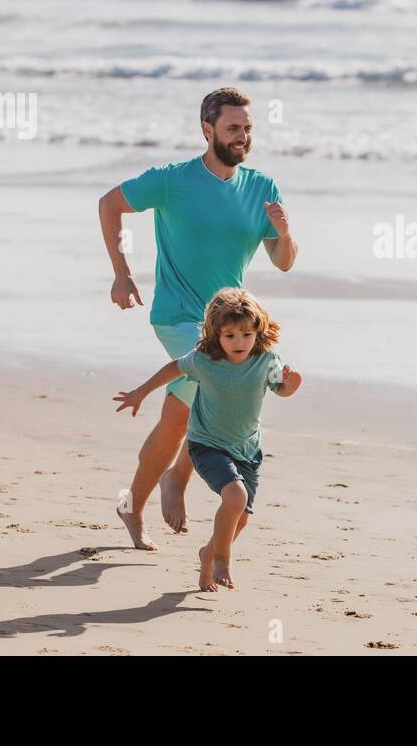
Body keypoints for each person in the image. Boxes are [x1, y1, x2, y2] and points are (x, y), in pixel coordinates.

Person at [97, 86, 297, 549]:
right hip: (180, 316)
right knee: (211, 382)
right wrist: (121, 273)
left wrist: (285, 233)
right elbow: (110, 204)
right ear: (207, 130)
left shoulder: (262, 188)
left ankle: (141, 498)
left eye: (247, 128)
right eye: (232, 128)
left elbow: (284, 260)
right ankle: (177, 480)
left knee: (175, 418)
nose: (242, 137)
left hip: (232, 324)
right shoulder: (172, 180)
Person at [113, 289, 302, 591]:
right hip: (207, 445)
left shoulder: (266, 360)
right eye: (229, 336)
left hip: (247, 450)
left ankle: (209, 553)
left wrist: (291, 385)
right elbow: (174, 367)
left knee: (239, 519)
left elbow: (281, 388)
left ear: (258, 331)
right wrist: (140, 393)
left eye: (246, 334)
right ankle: (223, 560)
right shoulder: (206, 360)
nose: (238, 343)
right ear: (216, 335)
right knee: (235, 497)